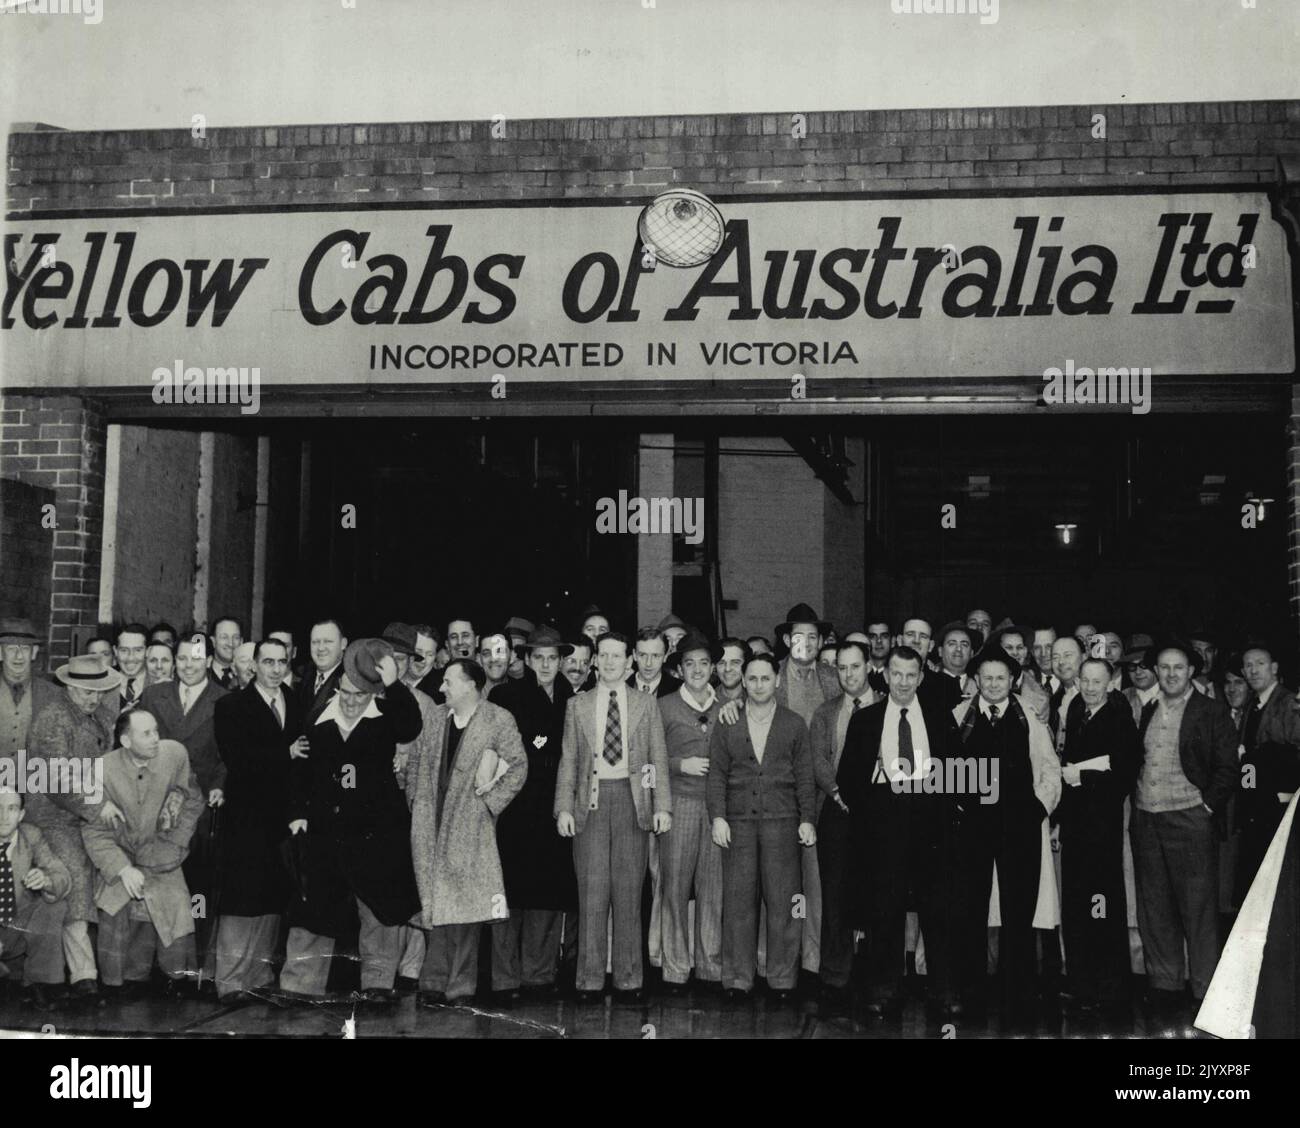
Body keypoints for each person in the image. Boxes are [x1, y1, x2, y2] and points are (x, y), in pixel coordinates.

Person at [282, 640, 423, 1002]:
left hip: (376, 835)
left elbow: (410, 727)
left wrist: (394, 685)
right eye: (344, 691)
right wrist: (298, 813)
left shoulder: (385, 719)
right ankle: (299, 984)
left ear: (372, 695)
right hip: (326, 834)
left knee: (379, 914)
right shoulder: (318, 720)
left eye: (358, 695)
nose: (348, 699)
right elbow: (300, 772)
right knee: (313, 911)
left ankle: (377, 985)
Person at [836, 645, 958, 1017]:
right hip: (882, 827)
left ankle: (943, 990)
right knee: (883, 909)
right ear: (885, 675)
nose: (903, 682)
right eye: (897, 674)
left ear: (921, 677)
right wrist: (877, 804)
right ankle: (885, 988)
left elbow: (957, 773)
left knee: (936, 911)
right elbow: (847, 779)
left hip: (929, 825)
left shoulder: (940, 717)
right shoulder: (866, 720)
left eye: (911, 674)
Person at [555, 631, 671, 1002]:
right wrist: (562, 808)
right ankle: (588, 980)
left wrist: (662, 806)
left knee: (628, 893)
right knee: (591, 893)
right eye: (602, 656)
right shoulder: (578, 704)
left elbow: (657, 758)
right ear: (594, 661)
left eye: (616, 656)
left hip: (631, 802)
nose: (608, 662)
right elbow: (568, 759)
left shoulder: (645, 704)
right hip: (589, 802)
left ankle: (629, 979)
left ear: (629, 661)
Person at [951, 646, 1060, 1025]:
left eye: (1001, 678)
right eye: (987, 678)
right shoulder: (959, 718)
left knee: (1019, 912)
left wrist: (1038, 809)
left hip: (1019, 829)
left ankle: (1020, 995)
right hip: (973, 831)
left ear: (1012, 680)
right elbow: (946, 772)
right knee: (970, 910)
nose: (994, 684)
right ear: (975, 680)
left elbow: (1049, 769)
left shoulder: (1028, 716)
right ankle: (972, 993)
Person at [407, 658, 526, 1005]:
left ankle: (460, 986)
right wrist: (416, 799)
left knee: (465, 911)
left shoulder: (498, 719)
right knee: (436, 905)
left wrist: (488, 806)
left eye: (448, 681)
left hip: (470, 826)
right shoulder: (433, 718)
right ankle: (433, 981)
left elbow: (518, 767)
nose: (442, 688)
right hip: (432, 823)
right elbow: (416, 762)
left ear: (471, 685)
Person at [1132, 639, 1237, 1010]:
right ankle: (1164, 984)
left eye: (1178, 667)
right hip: (1147, 819)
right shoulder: (1147, 710)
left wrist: (1205, 806)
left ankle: (1205, 989)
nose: (1171, 674)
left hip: (1190, 818)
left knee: (1198, 907)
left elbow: (1228, 769)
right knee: (1155, 907)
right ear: (1156, 672)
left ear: (1191, 671)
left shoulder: (1210, 711)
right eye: (1164, 668)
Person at [708, 652, 815, 1001]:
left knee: (785, 903)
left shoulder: (794, 723)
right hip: (738, 824)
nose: (757, 685)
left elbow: (804, 777)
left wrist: (807, 819)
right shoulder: (727, 720)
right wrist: (718, 816)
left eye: (764, 679)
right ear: (744, 681)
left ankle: (782, 978)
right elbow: (717, 774)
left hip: (782, 823)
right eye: (751, 679)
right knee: (738, 902)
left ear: (777, 681)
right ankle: (738, 978)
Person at [82, 708, 204, 998]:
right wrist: (122, 869)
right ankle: (122, 981)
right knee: (115, 906)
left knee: (175, 906)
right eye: (146, 733)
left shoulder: (174, 755)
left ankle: (175, 977)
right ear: (125, 741)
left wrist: (174, 842)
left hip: (164, 854)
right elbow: (93, 831)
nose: (155, 739)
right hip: (121, 857)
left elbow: (192, 800)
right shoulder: (101, 770)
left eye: (156, 731)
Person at [27, 654, 123, 1008]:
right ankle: (82, 977)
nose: (92, 697)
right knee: (76, 878)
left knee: (97, 881)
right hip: (52, 817)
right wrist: (98, 807)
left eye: (97, 691)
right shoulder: (53, 719)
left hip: (86, 815)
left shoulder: (99, 716)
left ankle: (86, 973)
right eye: (85, 691)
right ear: (68, 686)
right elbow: (56, 780)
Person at [487, 628, 576, 1000]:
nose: (544, 664)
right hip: (515, 809)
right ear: (524, 659)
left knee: (546, 896)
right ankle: (505, 980)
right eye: (537, 657)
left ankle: (538, 976)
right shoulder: (507, 696)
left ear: (560, 660)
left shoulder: (572, 697)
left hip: (553, 808)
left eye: (552, 658)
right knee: (509, 897)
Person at [212, 638, 300, 1000]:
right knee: (240, 903)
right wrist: (285, 753)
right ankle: (230, 982)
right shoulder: (231, 705)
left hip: (281, 820)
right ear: (254, 667)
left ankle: (260, 978)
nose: (276, 669)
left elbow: (303, 763)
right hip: (246, 819)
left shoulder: (295, 702)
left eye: (282, 662)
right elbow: (238, 760)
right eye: (268, 662)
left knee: (272, 902)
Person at [138, 634, 229, 980]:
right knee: (159, 882)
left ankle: (196, 966)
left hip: (201, 808)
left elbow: (229, 755)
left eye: (196, 659)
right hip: (157, 806)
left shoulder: (224, 701)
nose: (188, 665)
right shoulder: (154, 695)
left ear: (208, 661)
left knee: (198, 886)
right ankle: (160, 966)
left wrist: (219, 786)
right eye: (182, 659)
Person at [1057, 658, 1142, 1016]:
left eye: (1098, 682)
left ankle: (1109, 989)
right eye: (1085, 680)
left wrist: (1084, 778)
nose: (1090, 687)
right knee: (1076, 903)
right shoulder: (1076, 712)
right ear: (1077, 681)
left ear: (1110, 684)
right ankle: (1081, 984)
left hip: (1102, 828)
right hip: (1076, 825)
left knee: (1101, 904)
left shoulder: (1119, 719)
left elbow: (1125, 773)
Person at [656, 630, 724, 993]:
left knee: (713, 889)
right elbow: (647, 761)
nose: (697, 670)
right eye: (689, 664)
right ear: (679, 670)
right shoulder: (664, 706)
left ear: (713, 667)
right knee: (675, 887)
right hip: (679, 803)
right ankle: (675, 968)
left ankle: (710, 967)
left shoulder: (728, 705)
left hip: (715, 807)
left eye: (703, 663)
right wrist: (681, 764)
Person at [808, 639, 876, 998]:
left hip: (878, 814)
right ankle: (835, 974)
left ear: (868, 667)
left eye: (855, 666)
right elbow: (817, 759)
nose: (849, 674)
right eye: (842, 668)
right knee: (834, 894)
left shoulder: (886, 705)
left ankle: (873, 972)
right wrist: (837, 792)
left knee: (875, 891)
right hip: (836, 810)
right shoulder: (825, 712)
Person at [1235, 643, 1300, 903]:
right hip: (1256, 808)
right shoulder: (1253, 705)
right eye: (1248, 665)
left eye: (1260, 663)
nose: (1253, 670)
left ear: (1274, 668)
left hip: (1279, 805)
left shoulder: (1288, 703)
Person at [0, 788, 71, 1010]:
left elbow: (63, 877)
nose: (3, 816)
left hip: (15, 929)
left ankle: (40, 983)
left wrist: (46, 879)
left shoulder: (31, 836)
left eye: (11, 809)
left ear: (21, 815)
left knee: (54, 905)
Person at [0, 617, 60, 765]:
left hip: (34, 783)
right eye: (11, 648)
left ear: (34, 653)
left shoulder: (54, 695)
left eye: (25, 648)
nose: (18, 656)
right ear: (0, 653)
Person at [299, 617, 348, 725]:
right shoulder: (303, 674)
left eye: (328, 641)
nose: (321, 648)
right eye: (315, 642)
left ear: (343, 644)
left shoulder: (352, 680)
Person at [110, 624, 149, 714]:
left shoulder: (160, 686)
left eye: (138, 650)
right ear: (115, 651)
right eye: (124, 650)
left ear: (147, 651)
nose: (130, 658)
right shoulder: (103, 687)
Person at [629, 628, 676, 698]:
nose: (648, 663)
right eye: (642, 655)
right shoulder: (620, 687)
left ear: (665, 656)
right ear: (634, 655)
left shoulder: (679, 689)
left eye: (655, 656)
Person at [208, 617, 243, 692]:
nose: (230, 643)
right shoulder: (200, 675)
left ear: (241, 642)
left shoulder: (250, 676)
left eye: (236, 637)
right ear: (213, 641)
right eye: (224, 637)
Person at [714, 637, 748, 704]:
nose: (727, 669)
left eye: (735, 662)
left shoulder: (757, 697)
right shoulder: (706, 702)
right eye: (721, 663)